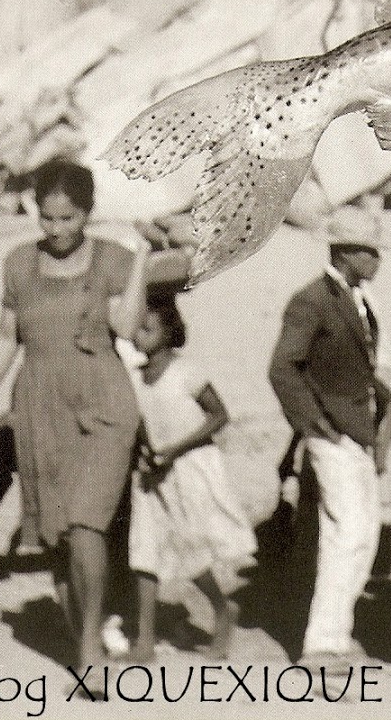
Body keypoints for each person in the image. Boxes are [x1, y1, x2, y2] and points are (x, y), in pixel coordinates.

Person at [0, 159, 147, 689]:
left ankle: (88, 653)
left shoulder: (115, 259)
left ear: (88, 212)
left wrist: (145, 256)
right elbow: (6, 338)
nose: (56, 230)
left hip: (103, 403)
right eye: (47, 219)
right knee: (58, 533)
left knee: (85, 525)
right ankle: (83, 633)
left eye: (67, 219)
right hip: (37, 407)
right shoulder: (18, 263)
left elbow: (127, 327)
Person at [268, 205, 391, 669]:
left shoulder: (352, 298)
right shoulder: (312, 301)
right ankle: (322, 645)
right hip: (333, 432)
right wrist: (311, 422)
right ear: (346, 252)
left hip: (354, 430)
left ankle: (336, 634)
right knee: (346, 532)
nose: (379, 262)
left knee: (362, 532)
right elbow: (282, 368)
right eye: (372, 253)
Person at [125, 273, 255, 662]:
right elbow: (139, 425)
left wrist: (175, 451)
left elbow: (219, 416)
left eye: (148, 329)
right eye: (137, 329)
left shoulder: (187, 372)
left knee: (192, 549)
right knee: (143, 552)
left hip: (190, 468)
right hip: (151, 473)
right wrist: (147, 454)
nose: (140, 335)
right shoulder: (133, 376)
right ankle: (144, 643)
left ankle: (222, 608)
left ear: (169, 333)